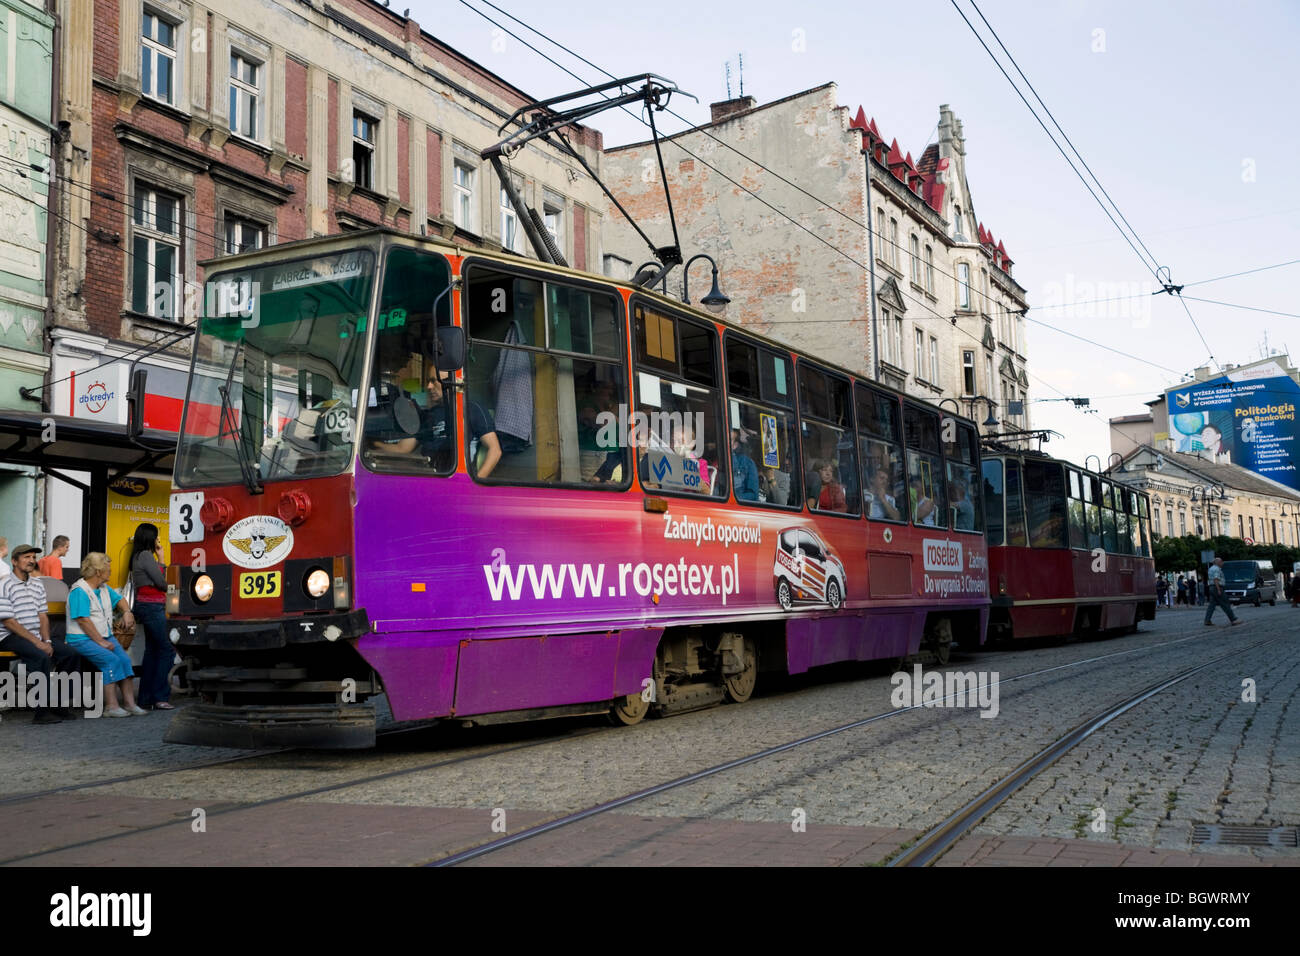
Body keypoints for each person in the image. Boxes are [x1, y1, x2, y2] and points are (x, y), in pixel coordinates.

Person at [0, 544, 81, 723]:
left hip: (35, 635)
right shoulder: (4, 584)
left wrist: (47, 640)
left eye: (33, 557)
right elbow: (8, 621)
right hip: (8, 636)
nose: (31, 561)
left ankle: (58, 705)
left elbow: (42, 616)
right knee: (40, 656)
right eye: (26, 557)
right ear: (14, 561)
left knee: (71, 654)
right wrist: (38, 644)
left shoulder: (37, 584)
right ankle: (41, 713)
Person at [66, 552, 145, 716]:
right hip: (81, 639)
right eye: (107, 568)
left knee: (124, 660)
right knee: (111, 661)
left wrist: (127, 612)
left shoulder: (102, 588)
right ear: (97, 572)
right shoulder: (79, 591)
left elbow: (120, 599)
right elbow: (83, 621)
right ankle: (111, 706)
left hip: (103, 635)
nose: (110, 571)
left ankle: (130, 704)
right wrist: (100, 642)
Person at [419, 373, 502, 477]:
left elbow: (495, 450)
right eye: (428, 382)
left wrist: (473, 484)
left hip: (452, 478)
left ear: (451, 382)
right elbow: (403, 449)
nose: (429, 386)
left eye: (434, 381)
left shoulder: (472, 409)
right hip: (424, 476)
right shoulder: (430, 414)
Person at [130, 524, 173, 711]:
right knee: (167, 649)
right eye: (156, 536)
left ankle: (145, 698)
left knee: (152, 651)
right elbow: (162, 582)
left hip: (145, 606)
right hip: (153, 606)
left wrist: (160, 558)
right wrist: (162, 559)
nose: (158, 540)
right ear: (150, 538)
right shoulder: (146, 556)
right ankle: (160, 696)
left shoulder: (137, 556)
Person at [1204, 556, 1241, 627]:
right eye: (1221, 562)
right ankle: (1233, 619)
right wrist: (1218, 589)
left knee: (1211, 605)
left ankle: (1207, 620)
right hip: (1217, 587)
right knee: (1225, 603)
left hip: (1211, 587)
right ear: (1217, 562)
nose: (1222, 563)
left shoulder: (1211, 568)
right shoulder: (1217, 569)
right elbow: (1216, 579)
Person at [730, 427, 760, 502]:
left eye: (729, 440)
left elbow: (753, 495)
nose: (724, 441)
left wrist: (733, 499)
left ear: (735, 445)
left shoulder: (747, 463)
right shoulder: (710, 460)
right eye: (722, 438)